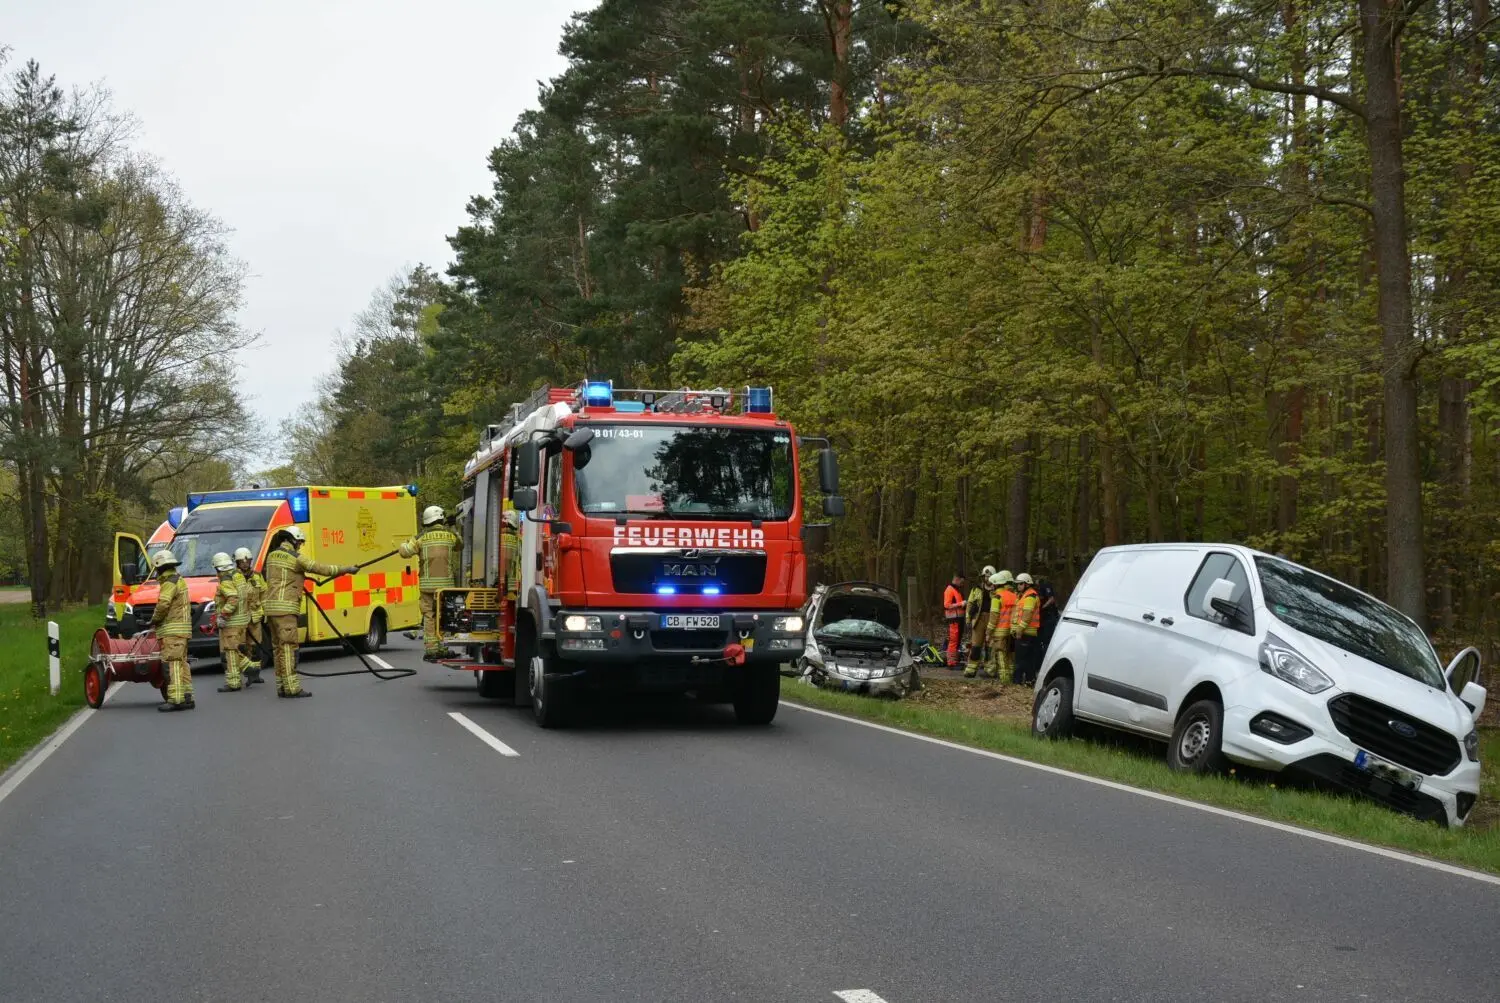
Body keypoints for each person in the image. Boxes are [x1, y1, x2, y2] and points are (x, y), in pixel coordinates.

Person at [263, 526, 357, 698]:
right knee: (288, 648)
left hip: (270, 609)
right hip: (286, 609)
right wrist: (347, 570)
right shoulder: (295, 558)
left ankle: (282, 686)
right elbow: (321, 569)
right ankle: (292, 688)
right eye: (299, 542)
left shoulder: (271, 555)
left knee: (277, 648)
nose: (299, 546)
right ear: (293, 540)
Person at [398, 505, 461, 662]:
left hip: (427, 587)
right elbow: (460, 545)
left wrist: (409, 540)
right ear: (440, 519)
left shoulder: (421, 539)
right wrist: (453, 527)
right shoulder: (449, 536)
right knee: (443, 616)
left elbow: (404, 552)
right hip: (446, 587)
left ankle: (432, 650)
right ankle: (443, 647)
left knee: (429, 616)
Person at [151, 549, 195, 712]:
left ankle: (176, 699)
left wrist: (154, 620)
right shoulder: (179, 580)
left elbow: (163, 605)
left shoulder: (169, 582)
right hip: (183, 630)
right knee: (182, 663)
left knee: (173, 663)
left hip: (172, 630)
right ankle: (187, 696)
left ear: (159, 567)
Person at [211, 552, 248, 693]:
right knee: (235, 649)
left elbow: (233, 598)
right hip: (242, 620)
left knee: (230, 651)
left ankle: (234, 682)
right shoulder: (238, 575)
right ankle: (250, 668)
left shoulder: (226, 580)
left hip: (231, 622)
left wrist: (223, 615)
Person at [234, 547, 268, 686]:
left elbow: (264, 594)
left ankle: (255, 674)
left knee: (255, 648)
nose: (245, 563)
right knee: (241, 647)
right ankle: (245, 673)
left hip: (255, 617)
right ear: (237, 563)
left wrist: (265, 612)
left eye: (247, 561)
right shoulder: (234, 577)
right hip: (240, 618)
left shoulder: (258, 576)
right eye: (242, 561)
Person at [963, 565, 996, 678]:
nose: (986, 579)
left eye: (988, 576)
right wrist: (968, 619)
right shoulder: (976, 589)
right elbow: (970, 604)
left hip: (992, 619)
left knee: (989, 647)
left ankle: (989, 670)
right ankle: (971, 670)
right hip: (978, 619)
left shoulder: (997, 590)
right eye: (985, 576)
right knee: (976, 646)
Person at [983, 570, 1017, 681]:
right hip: (1012, 630)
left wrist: (988, 632)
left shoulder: (997, 598)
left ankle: (1004, 679)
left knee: (1000, 653)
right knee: (1010, 654)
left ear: (996, 584)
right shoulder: (1014, 595)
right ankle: (1012, 676)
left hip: (999, 631)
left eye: (992, 584)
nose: (991, 586)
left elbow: (993, 618)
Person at [1011, 572, 1043, 685]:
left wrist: (1020, 629)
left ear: (1027, 584)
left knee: (1021, 660)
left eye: (1020, 584)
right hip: (1026, 632)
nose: (1018, 586)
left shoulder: (1030, 597)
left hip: (1026, 632)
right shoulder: (1024, 596)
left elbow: (1027, 615)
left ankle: (1017, 681)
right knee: (1028, 659)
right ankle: (1029, 680)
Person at [942, 574, 967, 668]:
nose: (962, 584)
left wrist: (963, 605)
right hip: (954, 619)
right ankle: (951, 663)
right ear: (956, 579)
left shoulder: (957, 590)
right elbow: (947, 605)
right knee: (954, 641)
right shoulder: (950, 590)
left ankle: (954, 661)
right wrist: (961, 603)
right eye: (961, 582)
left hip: (958, 619)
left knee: (957, 641)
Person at [1037, 580, 1061, 655]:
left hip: (1049, 617)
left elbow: (1051, 599)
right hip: (1043, 618)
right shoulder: (1038, 588)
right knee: (1042, 639)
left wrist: (1043, 607)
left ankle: (1047, 656)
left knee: (1047, 640)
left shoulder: (1045, 585)